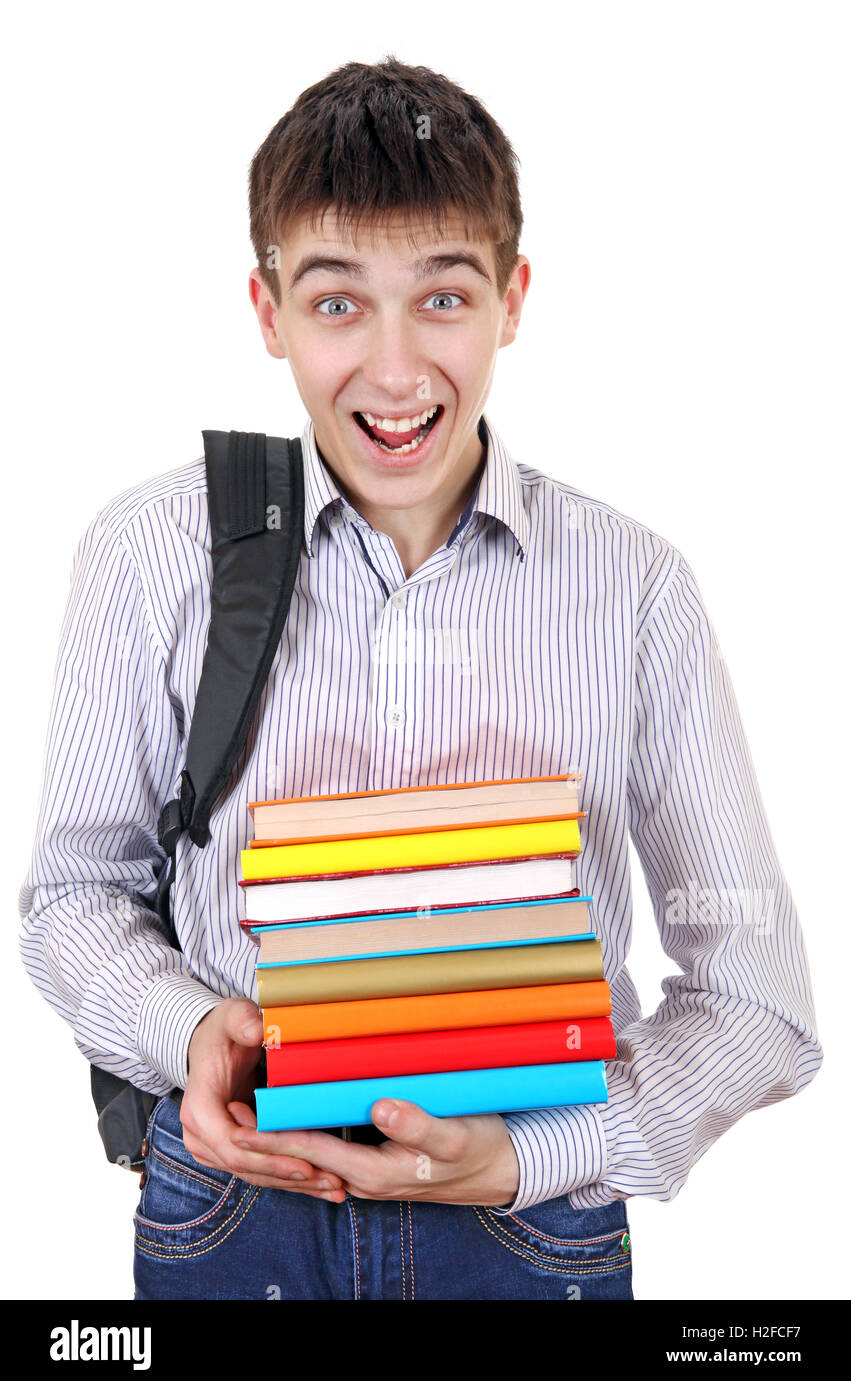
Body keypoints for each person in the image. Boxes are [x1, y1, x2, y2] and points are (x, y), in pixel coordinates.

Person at [19, 56, 822, 1302]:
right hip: (232, 1214)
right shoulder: (148, 555)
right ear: (266, 308)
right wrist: (189, 1029)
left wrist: (533, 1153)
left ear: (511, 299)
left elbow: (755, 992)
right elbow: (73, 893)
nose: (394, 374)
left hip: (531, 1224)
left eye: (440, 299)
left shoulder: (634, 586)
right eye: (337, 305)